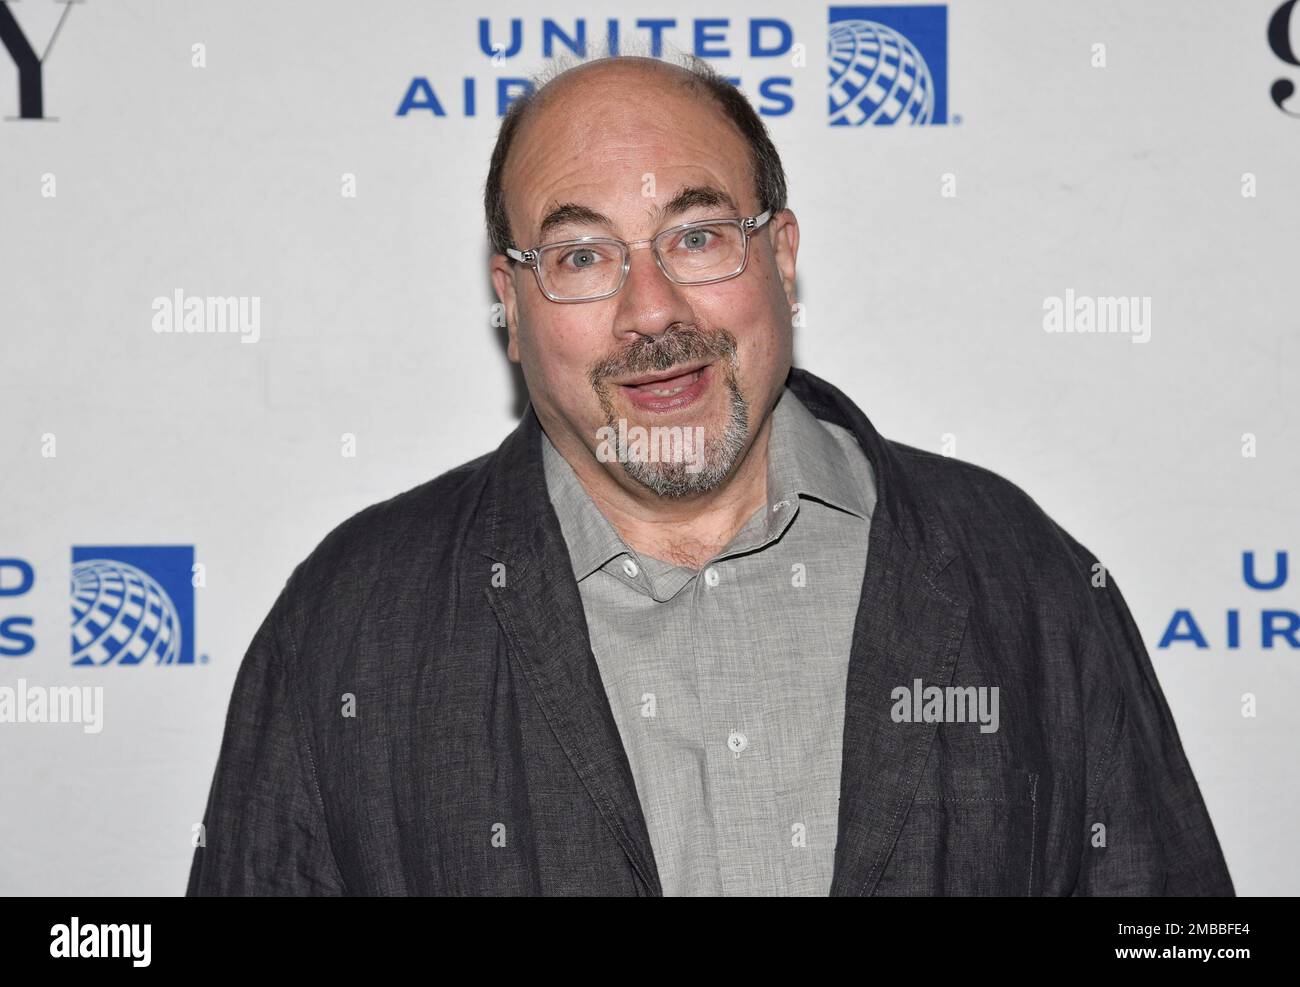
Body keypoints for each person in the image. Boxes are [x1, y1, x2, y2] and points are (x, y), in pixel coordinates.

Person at [187, 52, 1234, 896]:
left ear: (780, 258)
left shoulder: (1022, 576)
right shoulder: (355, 618)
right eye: (582, 256)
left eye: (694, 237)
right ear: (510, 303)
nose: (652, 315)